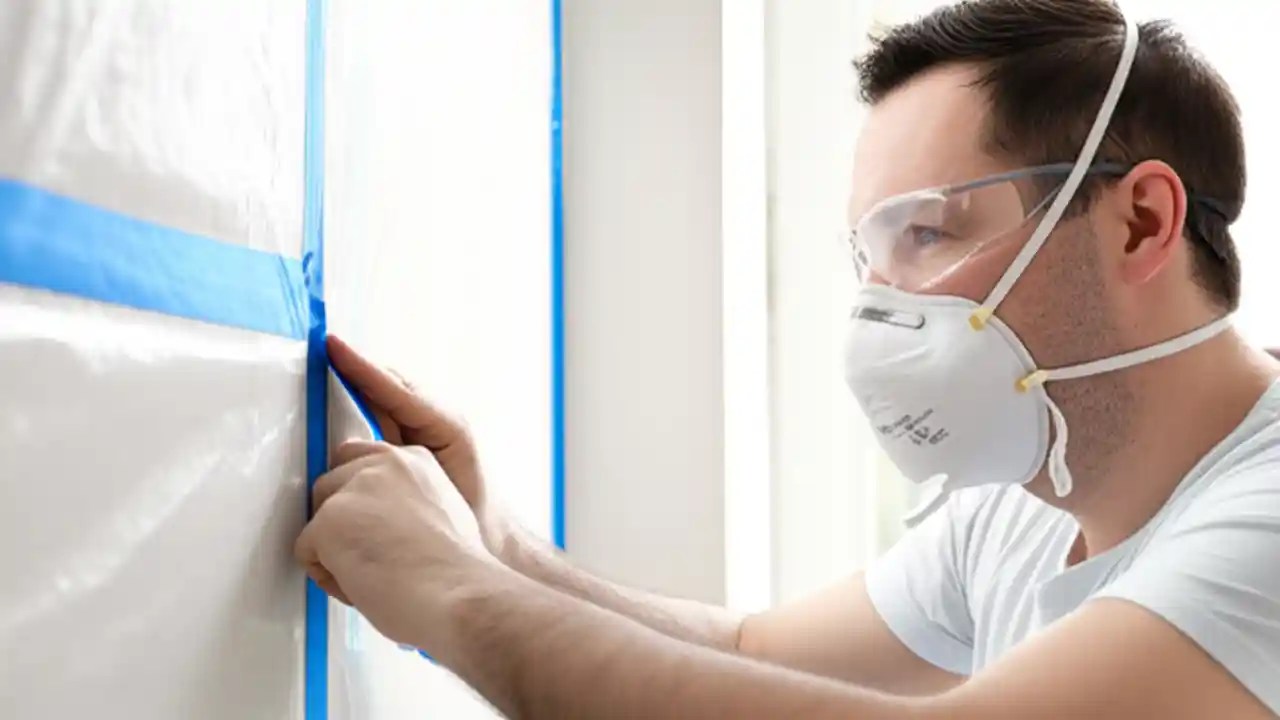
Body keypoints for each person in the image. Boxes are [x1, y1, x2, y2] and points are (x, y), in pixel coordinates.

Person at [295, 0, 1280, 716]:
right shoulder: (1020, 511)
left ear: (1139, 223)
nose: (878, 311)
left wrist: (456, 594)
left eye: (928, 234)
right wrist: (497, 542)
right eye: (870, 257)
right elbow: (754, 650)